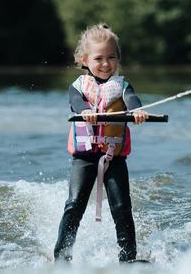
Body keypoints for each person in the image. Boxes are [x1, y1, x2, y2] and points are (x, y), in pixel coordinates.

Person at [54, 23, 148, 263]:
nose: (106, 64)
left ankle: (128, 259)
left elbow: (132, 99)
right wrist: (85, 110)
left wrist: (137, 111)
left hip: (113, 157)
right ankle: (62, 258)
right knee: (74, 205)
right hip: (83, 158)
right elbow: (75, 101)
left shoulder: (122, 86)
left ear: (118, 59)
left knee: (122, 207)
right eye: (99, 58)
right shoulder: (78, 86)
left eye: (111, 57)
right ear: (84, 60)